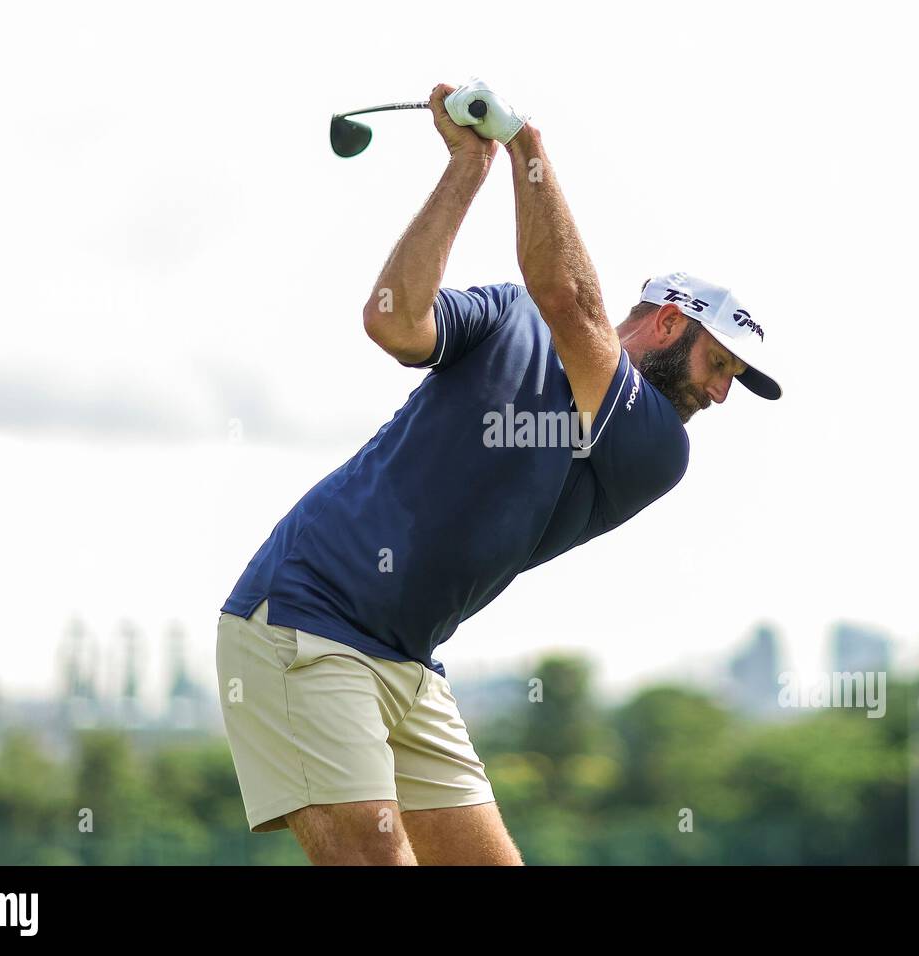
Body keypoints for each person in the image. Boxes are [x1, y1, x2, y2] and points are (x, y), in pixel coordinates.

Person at [215, 79, 782, 865]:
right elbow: (392, 318)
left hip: (408, 659)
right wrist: (470, 167)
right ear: (667, 322)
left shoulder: (657, 445)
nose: (721, 392)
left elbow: (571, 301)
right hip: (305, 615)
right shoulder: (508, 313)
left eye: (732, 380)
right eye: (718, 363)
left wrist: (529, 146)